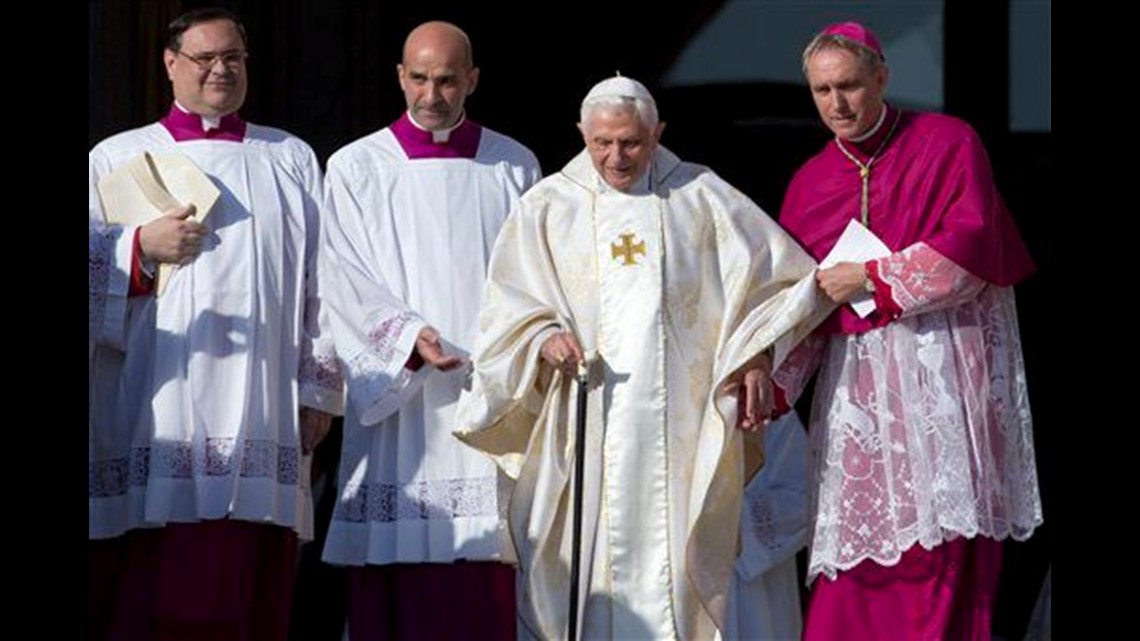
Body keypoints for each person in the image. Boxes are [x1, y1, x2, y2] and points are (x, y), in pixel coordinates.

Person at [453, 74, 828, 640]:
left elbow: (782, 284)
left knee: (675, 571)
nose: (615, 156)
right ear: (581, 134)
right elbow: (507, 309)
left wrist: (756, 354)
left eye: (630, 142)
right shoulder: (550, 206)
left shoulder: (701, 198)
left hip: (681, 430)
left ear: (658, 133)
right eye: (601, 143)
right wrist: (542, 336)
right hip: (584, 432)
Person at [772, 21, 1044, 640]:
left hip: (945, 374)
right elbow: (799, 308)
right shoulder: (808, 183)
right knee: (857, 558)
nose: (837, 105)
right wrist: (767, 380)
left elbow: (972, 248)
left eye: (849, 86)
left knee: (945, 548)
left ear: (882, 78)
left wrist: (870, 276)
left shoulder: (947, 142)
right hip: (862, 397)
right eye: (821, 91)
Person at [87, 8, 343, 640]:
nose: (221, 70)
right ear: (170, 63)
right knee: (154, 587)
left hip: (262, 403)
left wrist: (319, 390)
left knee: (250, 582)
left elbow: (326, 282)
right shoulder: (116, 155)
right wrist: (139, 246)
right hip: (155, 397)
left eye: (233, 57)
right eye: (204, 59)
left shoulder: (289, 157)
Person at [317, 21, 541, 640]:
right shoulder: (357, 167)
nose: (432, 93)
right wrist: (408, 337)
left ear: (472, 79)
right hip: (401, 401)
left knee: (486, 563)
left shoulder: (513, 165)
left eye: (446, 79)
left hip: (485, 394)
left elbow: (534, 279)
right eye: (419, 78)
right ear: (399, 76)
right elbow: (341, 278)